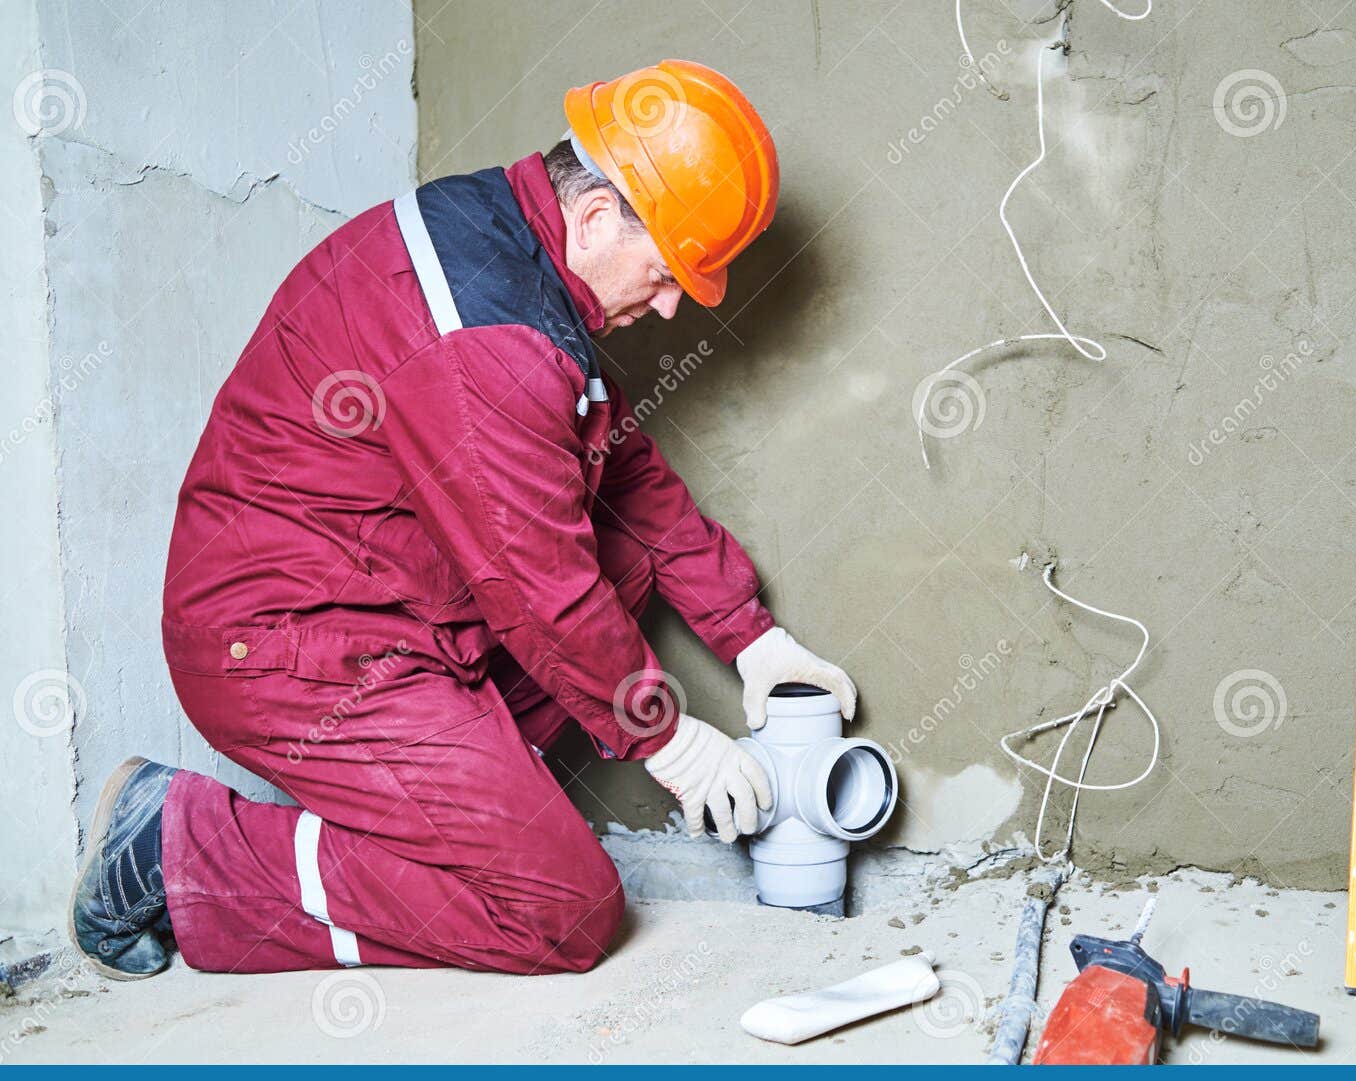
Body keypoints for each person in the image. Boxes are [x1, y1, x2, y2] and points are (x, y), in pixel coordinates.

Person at [68, 60, 856, 981]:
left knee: (618, 552)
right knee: (561, 911)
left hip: (383, 603)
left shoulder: (501, 235)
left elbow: (628, 483)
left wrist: (752, 638)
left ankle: (462, 814)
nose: (672, 302)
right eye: (668, 269)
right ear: (597, 216)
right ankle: (174, 847)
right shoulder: (490, 343)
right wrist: (667, 739)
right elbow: (543, 591)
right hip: (289, 645)